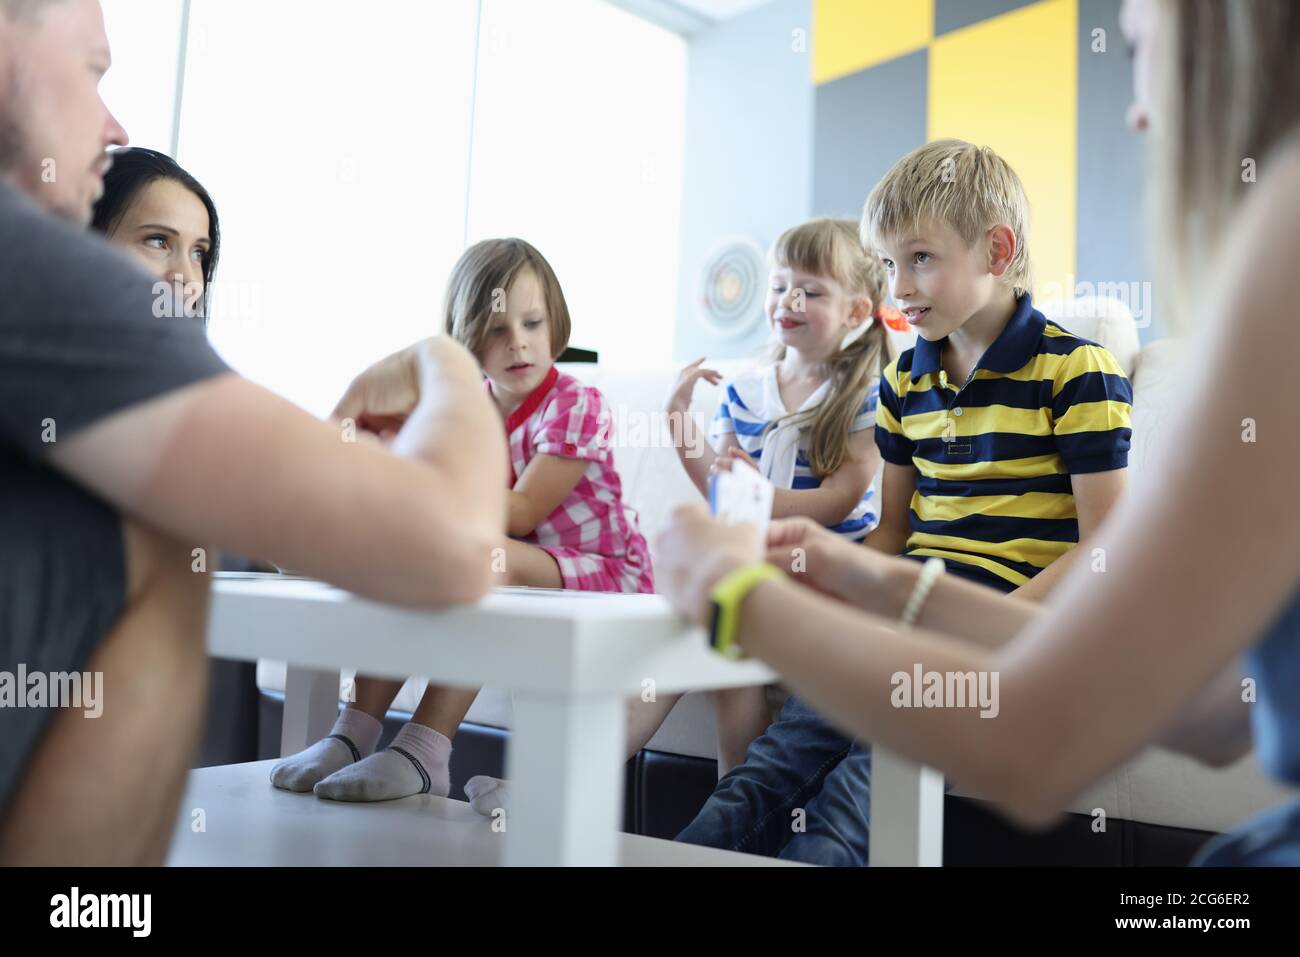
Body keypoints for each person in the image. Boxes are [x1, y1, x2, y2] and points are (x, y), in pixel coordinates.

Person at [655, 0, 1300, 865]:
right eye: (889, 264)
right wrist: (834, 573)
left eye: (1141, 48)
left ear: (995, 251)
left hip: (984, 613)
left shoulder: (1081, 366)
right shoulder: (900, 381)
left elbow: (1097, 575)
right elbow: (1217, 709)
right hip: (923, 608)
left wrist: (752, 599)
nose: (1139, 110)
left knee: (854, 803)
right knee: (766, 774)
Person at [0, 0, 505, 864]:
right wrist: (449, 364)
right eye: (92, 69)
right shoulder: (33, 269)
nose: (113, 121)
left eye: (199, 252)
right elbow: (452, 543)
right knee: (166, 522)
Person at [271, 238, 654, 809]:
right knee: (419, 558)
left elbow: (522, 512)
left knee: (476, 558)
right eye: (497, 329)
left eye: (532, 323)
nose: (517, 342)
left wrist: (425, 477)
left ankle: (425, 750)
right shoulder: (465, 407)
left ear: (557, 329)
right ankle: (353, 733)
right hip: (524, 564)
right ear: (466, 337)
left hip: (604, 574)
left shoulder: (577, 403)